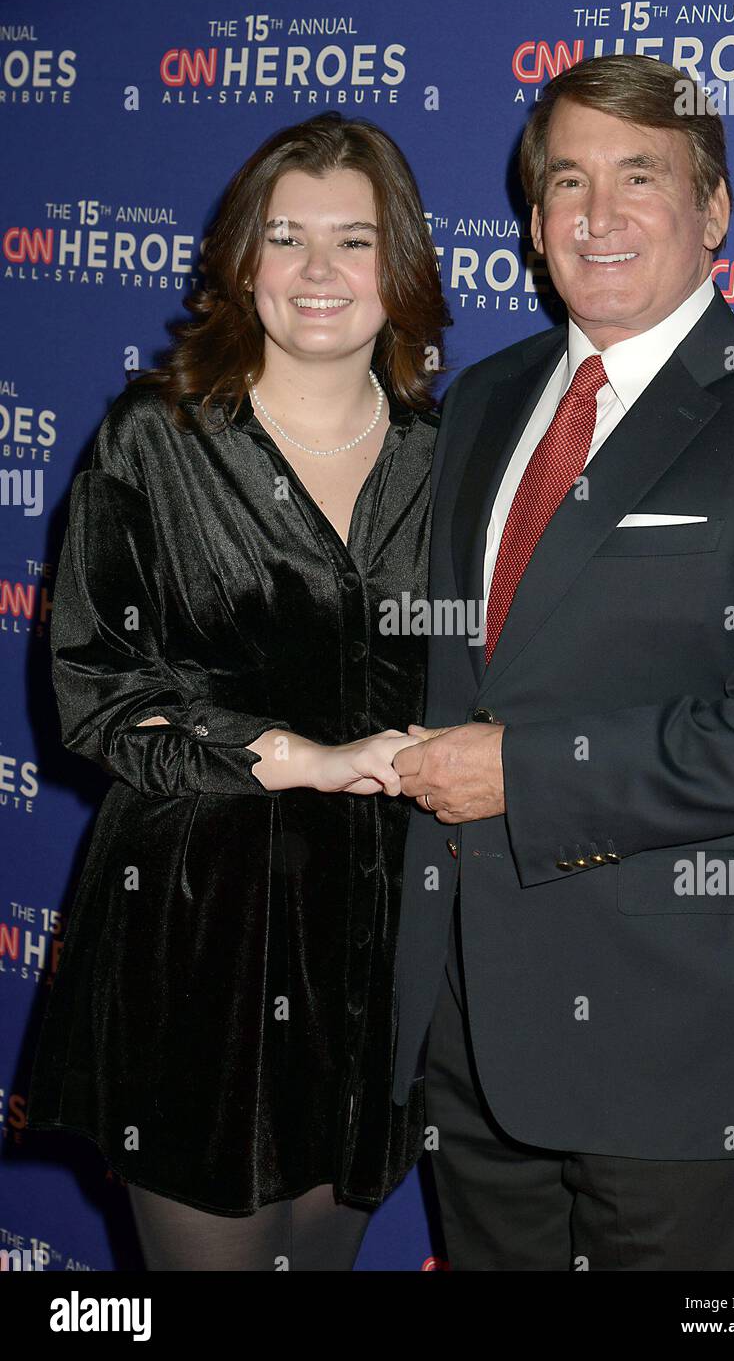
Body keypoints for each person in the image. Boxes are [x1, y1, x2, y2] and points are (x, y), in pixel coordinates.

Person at [391, 53, 734, 1271]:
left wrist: (524, 776)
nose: (596, 217)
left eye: (637, 177)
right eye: (565, 183)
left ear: (711, 211)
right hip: (467, 1029)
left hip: (676, 1040)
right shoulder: (483, 400)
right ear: (533, 221)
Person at [26, 111, 448, 1272]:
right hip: (200, 929)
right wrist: (295, 756)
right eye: (286, 239)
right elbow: (97, 692)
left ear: (398, 265)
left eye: (353, 242)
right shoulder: (153, 440)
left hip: (376, 939)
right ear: (241, 264)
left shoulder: (446, 456)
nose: (319, 273)